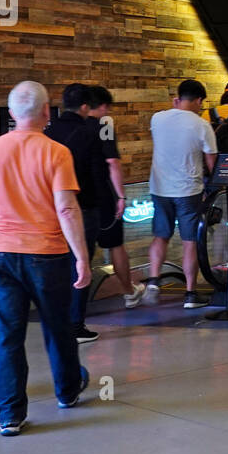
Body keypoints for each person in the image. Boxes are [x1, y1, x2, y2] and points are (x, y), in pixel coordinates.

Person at [0, 81, 91, 436]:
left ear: (12, 114)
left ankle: (9, 415)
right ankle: (67, 391)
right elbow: (66, 208)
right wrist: (81, 256)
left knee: (7, 334)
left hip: (1, 255)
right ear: (46, 112)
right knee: (58, 326)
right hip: (47, 255)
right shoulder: (56, 152)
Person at [141, 79, 216, 310]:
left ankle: (154, 281)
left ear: (178, 97)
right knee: (189, 242)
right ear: (199, 100)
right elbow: (212, 162)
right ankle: (190, 294)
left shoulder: (157, 118)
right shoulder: (202, 125)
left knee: (160, 236)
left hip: (160, 189)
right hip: (188, 191)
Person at [44, 83, 107, 342]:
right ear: (84, 107)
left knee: (57, 265)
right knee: (80, 265)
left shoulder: (48, 132)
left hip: (50, 208)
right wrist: (106, 207)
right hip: (83, 207)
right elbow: (98, 175)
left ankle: (56, 320)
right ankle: (75, 325)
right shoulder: (89, 133)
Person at [86, 85, 144, 309]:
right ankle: (129, 292)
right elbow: (112, 162)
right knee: (115, 245)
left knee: (81, 248)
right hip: (103, 195)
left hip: (76, 197)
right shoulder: (104, 125)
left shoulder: (70, 126)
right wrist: (121, 195)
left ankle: (75, 299)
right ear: (102, 106)